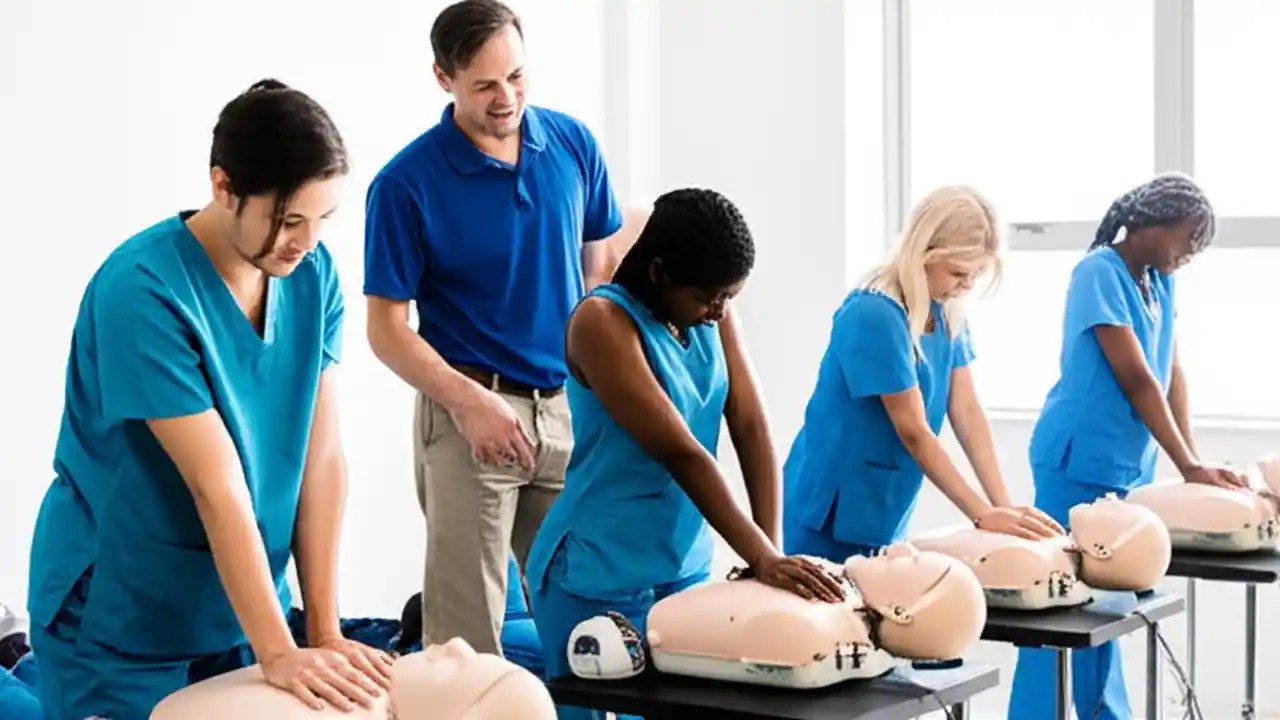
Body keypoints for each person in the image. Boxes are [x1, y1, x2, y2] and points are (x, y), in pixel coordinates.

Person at [25, 79, 392, 720]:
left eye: (320, 220)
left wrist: (323, 632)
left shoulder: (314, 274)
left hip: (238, 608)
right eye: (287, 219)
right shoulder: (141, 290)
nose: (304, 241)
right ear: (224, 187)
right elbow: (216, 486)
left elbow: (321, 456)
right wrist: (279, 653)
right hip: (121, 616)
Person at [363, 0, 625, 658]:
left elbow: (601, 255)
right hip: (468, 417)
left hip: (565, 407)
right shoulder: (404, 185)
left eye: (516, 77)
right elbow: (386, 329)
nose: (505, 97)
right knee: (467, 640)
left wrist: (591, 364)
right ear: (442, 78)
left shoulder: (571, 143)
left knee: (585, 621)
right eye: (483, 84)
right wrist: (470, 403)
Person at [525, 188, 847, 720]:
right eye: (709, 296)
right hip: (594, 570)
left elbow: (750, 423)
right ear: (658, 273)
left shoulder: (712, 315)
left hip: (682, 568)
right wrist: (761, 558)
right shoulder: (600, 322)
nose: (719, 310)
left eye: (728, 296)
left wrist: (771, 550)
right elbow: (680, 451)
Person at [1007, 173, 1247, 720]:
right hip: (1075, 460)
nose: (1192, 253)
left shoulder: (1159, 281)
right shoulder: (1097, 272)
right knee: (1056, 604)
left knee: (1110, 607)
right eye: (1189, 238)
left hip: (1122, 467)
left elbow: (1171, 372)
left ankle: (1104, 716)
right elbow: (1137, 378)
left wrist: (1193, 458)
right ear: (1150, 223)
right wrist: (1187, 465)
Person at [782, 185, 1064, 565]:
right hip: (831, 509)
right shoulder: (875, 313)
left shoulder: (945, 310)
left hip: (884, 501)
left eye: (976, 275)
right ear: (924, 253)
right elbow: (914, 431)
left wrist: (1005, 508)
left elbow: (966, 412)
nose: (967, 285)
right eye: (959, 273)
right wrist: (980, 513)